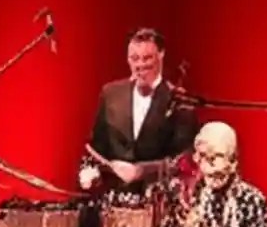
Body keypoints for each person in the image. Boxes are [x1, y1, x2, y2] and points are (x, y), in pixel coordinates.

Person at [79, 28, 199, 197]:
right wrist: (90, 174)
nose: (140, 65)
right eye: (134, 59)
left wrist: (142, 171)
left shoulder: (179, 102)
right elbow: (94, 149)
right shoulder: (111, 94)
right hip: (113, 202)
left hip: (158, 202)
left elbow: (184, 161)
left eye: (147, 58)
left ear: (161, 55)